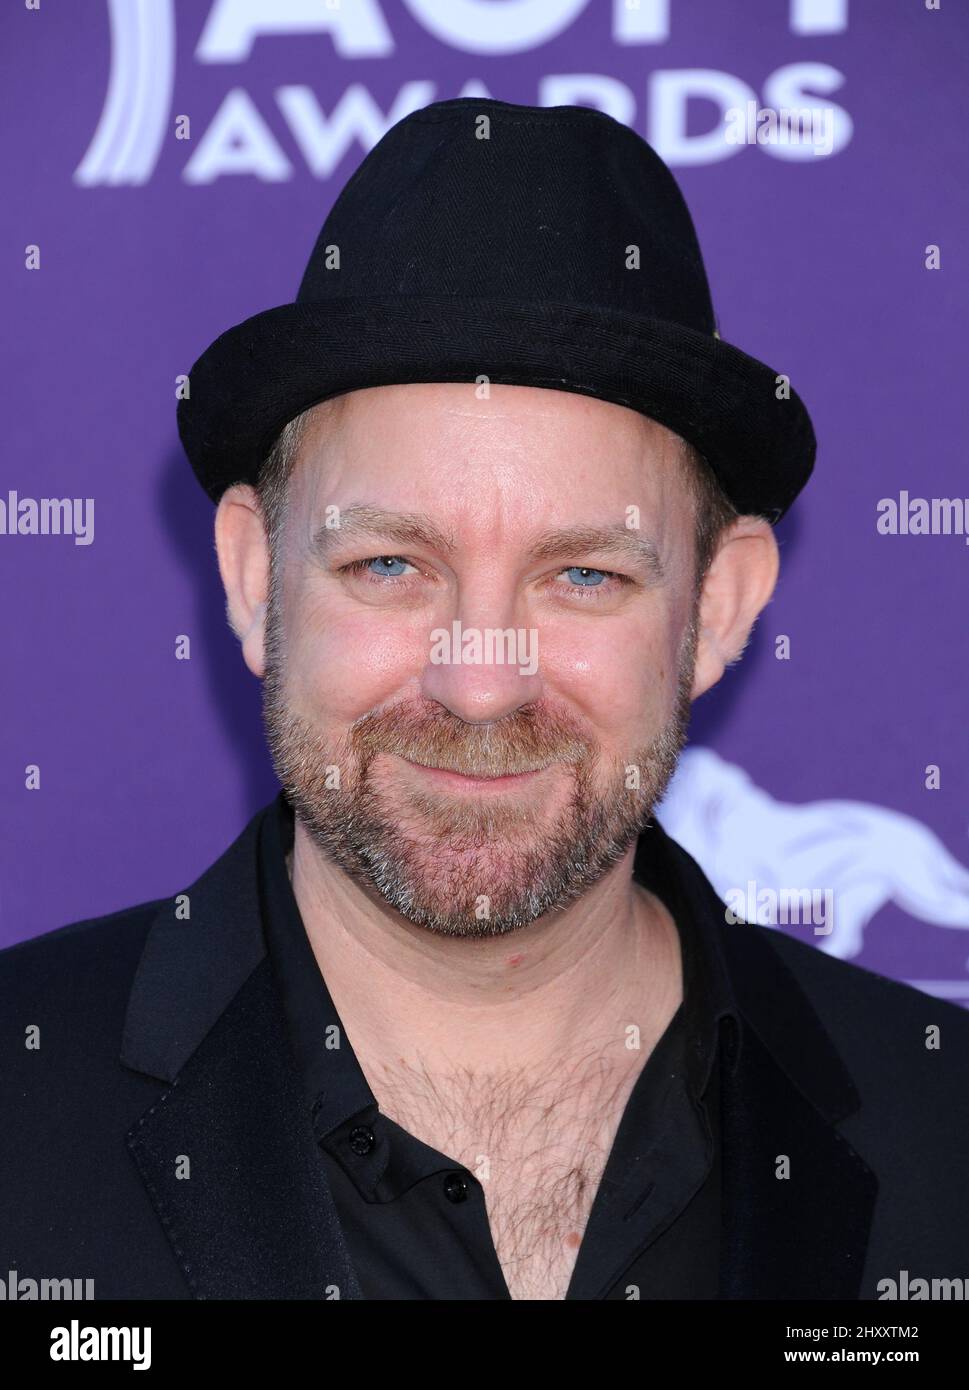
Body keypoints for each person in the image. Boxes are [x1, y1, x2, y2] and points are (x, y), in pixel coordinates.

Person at [1, 98, 966, 1302]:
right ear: (254, 579)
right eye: (390, 565)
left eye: (584, 575)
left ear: (717, 607)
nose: (480, 678)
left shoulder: (946, 1133)